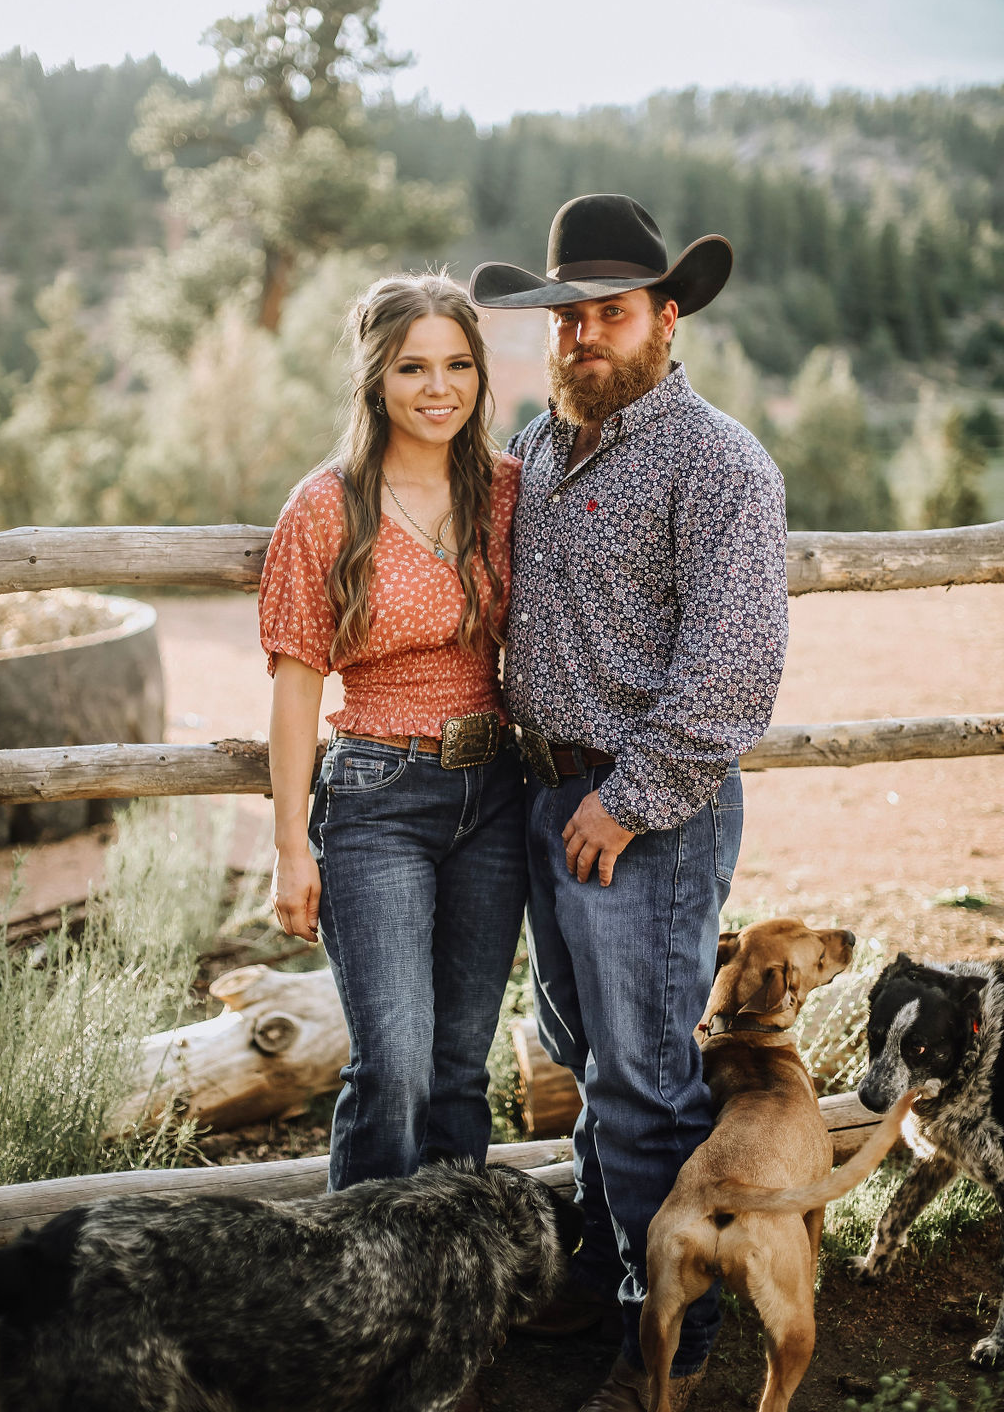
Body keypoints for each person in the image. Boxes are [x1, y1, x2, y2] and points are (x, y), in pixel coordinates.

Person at [470, 194, 789, 1412]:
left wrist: (630, 797)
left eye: (608, 313)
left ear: (665, 316)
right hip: (544, 794)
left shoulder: (717, 463)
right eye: (564, 319)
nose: (582, 336)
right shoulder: (544, 451)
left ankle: (674, 1337)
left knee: (647, 1076)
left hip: (640, 812)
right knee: (580, 1052)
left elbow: (732, 668)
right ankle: (612, 1271)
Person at [259, 272, 526, 1192]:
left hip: (496, 797)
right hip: (377, 800)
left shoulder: (507, 491)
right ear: (377, 379)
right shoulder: (326, 506)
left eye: (457, 365)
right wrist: (291, 848)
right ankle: (359, 1301)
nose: (438, 388)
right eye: (414, 368)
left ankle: (450, 1295)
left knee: (460, 1073)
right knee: (396, 1068)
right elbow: (297, 690)